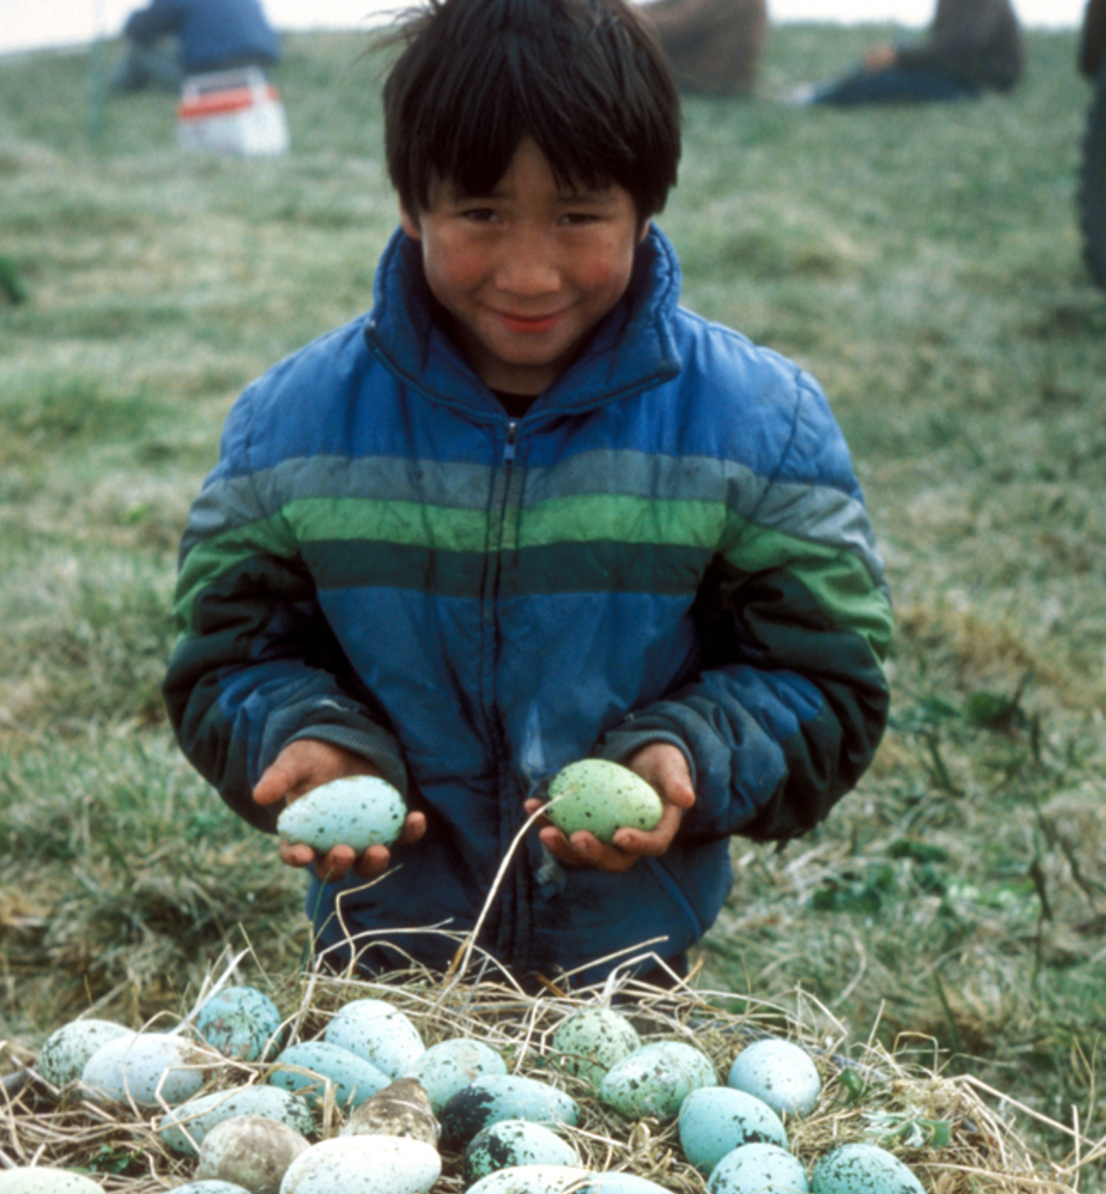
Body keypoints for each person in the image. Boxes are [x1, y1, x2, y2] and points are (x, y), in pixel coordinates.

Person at [164, 0, 892, 990]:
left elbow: (828, 676)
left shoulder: (759, 424)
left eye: (580, 215)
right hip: (380, 977)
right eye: (481, 212)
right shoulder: (289, 429)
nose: (529, 270)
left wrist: (688, 752)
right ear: (410, 201)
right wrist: (310, 738)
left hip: (631, 982)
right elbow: (223, 658)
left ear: (648, 203)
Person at [789, 0, 1023, 108]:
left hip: (975, 86)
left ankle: (818, 99)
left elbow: (956, 52)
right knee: (883, 59)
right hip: (957, 74)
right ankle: (821, 91)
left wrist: (899, 56)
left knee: (884, 80)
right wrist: (897, 54)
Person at [109, 0, 280, 96]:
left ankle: (118, 92)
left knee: (140, 51)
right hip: (259, 73)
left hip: (206, 78)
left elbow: (139, 28)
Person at [643, 0, 768, 98]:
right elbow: (672, 5)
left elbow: (678, 26)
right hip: (702, 71)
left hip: (710, 78)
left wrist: (632, 23)